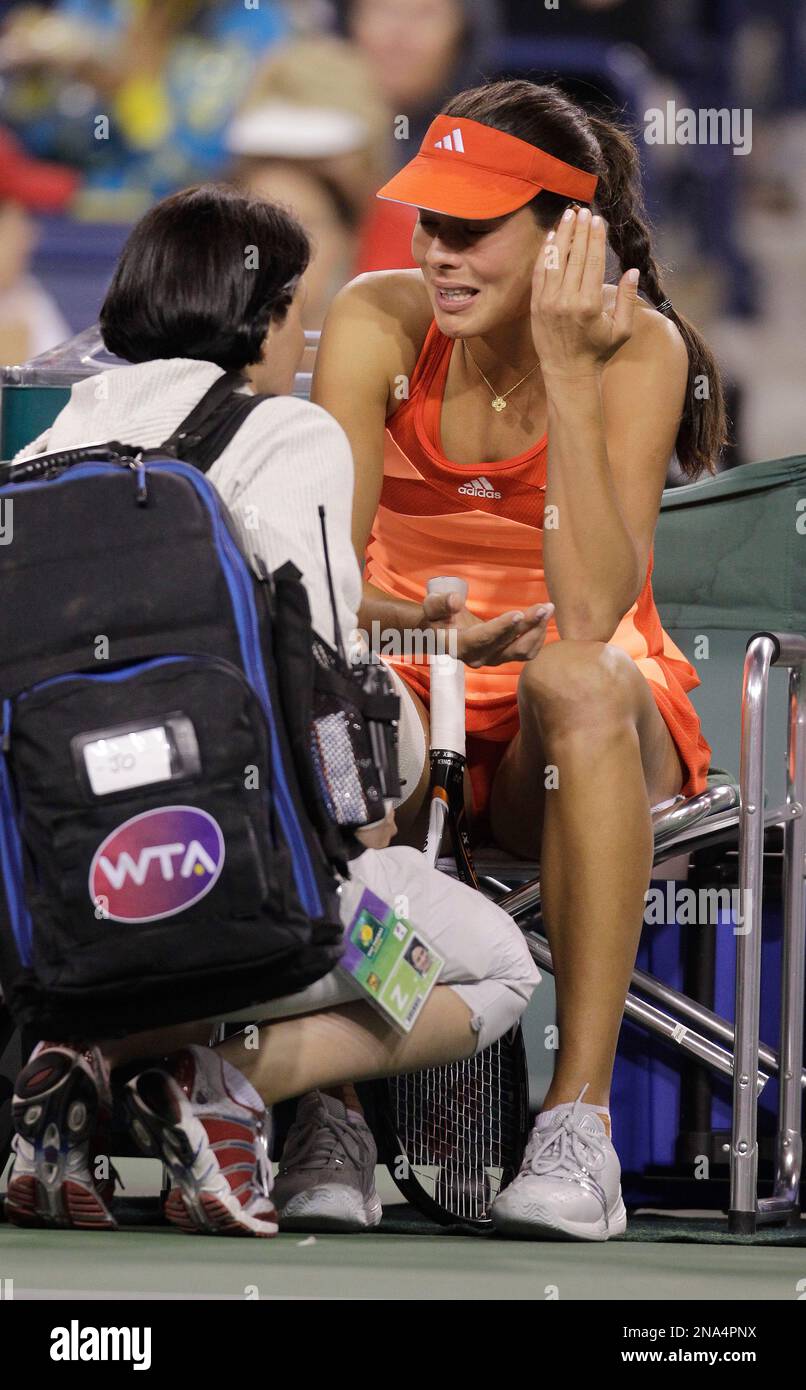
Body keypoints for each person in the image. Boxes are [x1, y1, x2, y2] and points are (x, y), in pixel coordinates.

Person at [5, 182, 538, 1238]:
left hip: (64, 921)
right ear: (266, 313)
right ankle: (213, 1076)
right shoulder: (287, 434)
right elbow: (326, 694)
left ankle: (79, 1060)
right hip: (242, 904)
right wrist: (379, 814)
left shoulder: (30, 466)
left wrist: (431, 637)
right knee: (494, 965)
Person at [312, 78, 724, 1242]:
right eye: (426, 223)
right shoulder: (371, 320)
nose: (436, 253)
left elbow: (590, 609)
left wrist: (570, 367)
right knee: (329, 682)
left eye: (472, 229)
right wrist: (425, 635)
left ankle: (574, 1128)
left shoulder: (637, 349)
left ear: (564, 235)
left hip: (571, 731)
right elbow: (337, 593)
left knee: (572, 674)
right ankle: (330, 1108)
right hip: (414, 690)